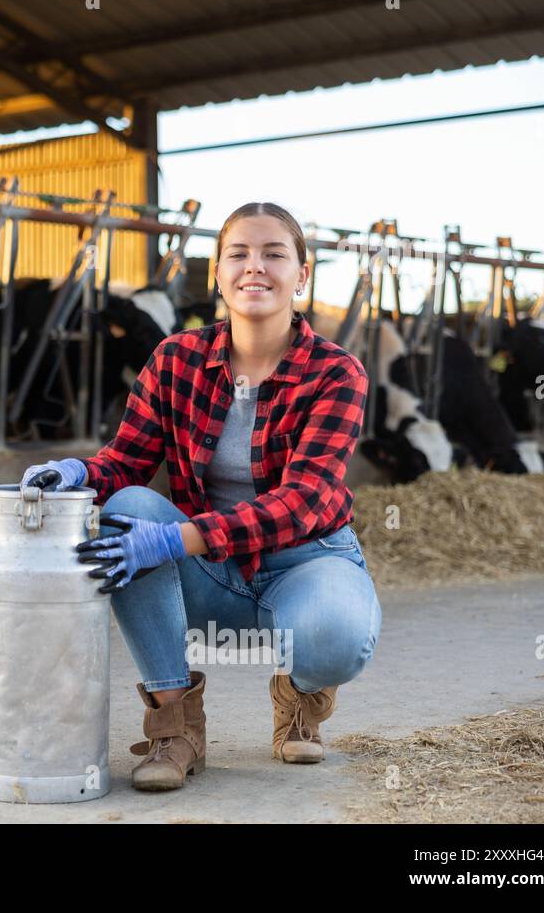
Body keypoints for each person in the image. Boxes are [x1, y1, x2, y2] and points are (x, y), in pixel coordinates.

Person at [21, 202, 381, 791]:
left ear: (302, 275)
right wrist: (75, 473)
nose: (254, 268)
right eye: (237, 254)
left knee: (336, 638)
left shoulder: (337, 372)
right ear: (217, 273)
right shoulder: (176, 359)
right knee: (128, 508)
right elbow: (127, 462)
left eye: (273, 254)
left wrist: (173, 539)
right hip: (210, 569)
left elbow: (305, 499)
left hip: (306, 560)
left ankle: (301, 694)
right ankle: (176, 726)